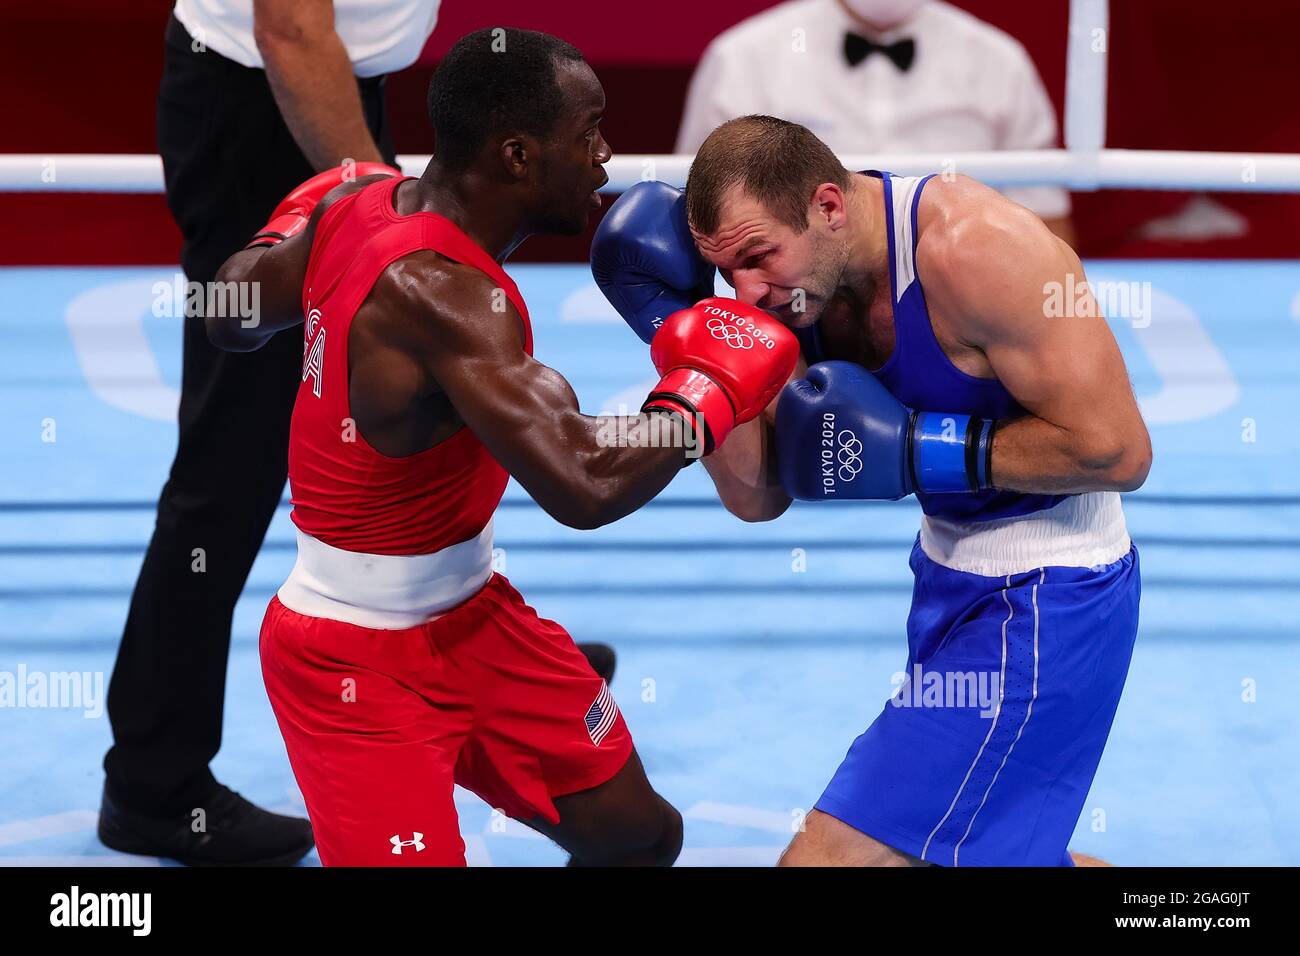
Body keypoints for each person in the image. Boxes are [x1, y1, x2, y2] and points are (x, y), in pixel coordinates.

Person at [205, 30, 799, 866]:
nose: (605, 155)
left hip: (476, 621)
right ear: (518, 154)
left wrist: (290, 230)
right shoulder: (447, 298)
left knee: (641, 838)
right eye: (587, 131)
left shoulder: (357, 206)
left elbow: (226, 313)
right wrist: (706, 391)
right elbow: (584, 484)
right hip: (352, 664)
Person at [592, 114, 1151, 866]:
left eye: (759, 257)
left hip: (1052, 596)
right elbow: (758, 494)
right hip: (948, 578)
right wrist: (679, 331)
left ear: (828, 206)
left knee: (831, 858)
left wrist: (922, 453)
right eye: (728, 275)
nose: (748, 294)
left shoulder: (982, 251)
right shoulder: (793, 289)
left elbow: (1118, 450)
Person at [100, 0, 444, 865]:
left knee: (405, 409)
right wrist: (379, 208)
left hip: (335, 83)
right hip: (271, 96)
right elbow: (288, 26)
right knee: (231, 460)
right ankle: (154, 781)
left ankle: (461, 668)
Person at [676, 0, 1076, 245]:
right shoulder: (741, 58)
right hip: (790, 309)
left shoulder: (1002, 62)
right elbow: (695, 210)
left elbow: (1047, 227)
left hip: (966, 310)